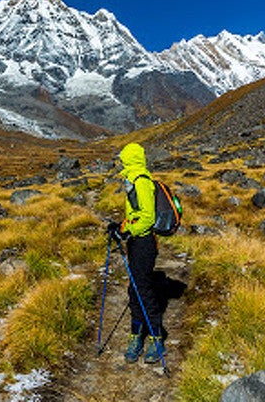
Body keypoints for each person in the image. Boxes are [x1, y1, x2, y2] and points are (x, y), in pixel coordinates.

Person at [107, 142, 166, 364]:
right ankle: (137, 335)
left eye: (123, 158)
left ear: (130, 159)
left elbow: (147, 217)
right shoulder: (134, 179)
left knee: (143, 289)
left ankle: (157, 339)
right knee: (135, 289)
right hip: (137, 241)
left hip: (143, 243)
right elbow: (136, 214)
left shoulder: (141, 181)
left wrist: (126, 230)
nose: (120, 162)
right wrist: (121, 226)